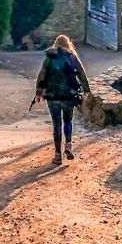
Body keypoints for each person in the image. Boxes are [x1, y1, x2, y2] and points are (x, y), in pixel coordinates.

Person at [35, 34, 91, 165]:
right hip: (68, 95)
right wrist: (86, 90)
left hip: (53, 96)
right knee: (68, 121)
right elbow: (81, 74)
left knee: (57, 125)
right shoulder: (72, 57)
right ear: (68, 44)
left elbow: (42, 76)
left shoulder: (50, 58)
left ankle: (57, 155)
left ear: (56, 44)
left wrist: (39, 93)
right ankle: (68, 145)